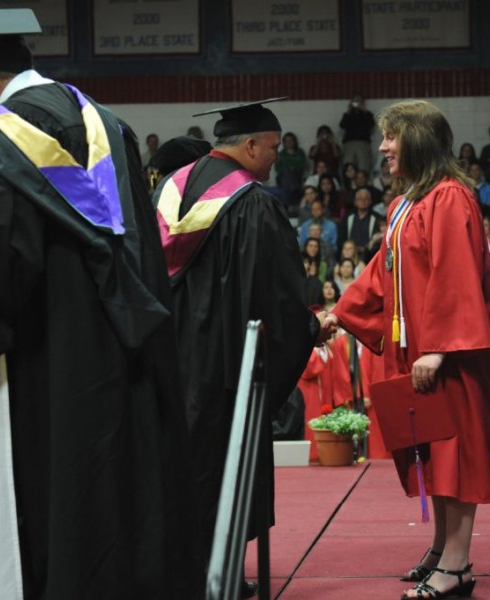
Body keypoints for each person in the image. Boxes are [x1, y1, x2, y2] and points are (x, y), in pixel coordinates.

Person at [0, 9, 202, 598]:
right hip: (127, 341)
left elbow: (3, 261)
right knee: (126, 484)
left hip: (53, 353)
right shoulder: (109, 124)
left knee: (62, 491)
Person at [152, 97, 328, 595]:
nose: (276, 157)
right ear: (250, 146)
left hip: (167, 363)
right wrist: (310, 329)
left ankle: (175, 571)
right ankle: (219, 574)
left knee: (173, 463)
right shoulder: (253, 205)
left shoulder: (166, 191)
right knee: (218, 464)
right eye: (272, 148)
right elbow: (280, 302)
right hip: (226, 369)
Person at [323, 100, 490, 600]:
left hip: (448, 355)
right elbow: (382, 271)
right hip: (416, 351)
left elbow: (456, 274)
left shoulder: (450, 198)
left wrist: (439, 349)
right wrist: (341, 312)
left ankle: (458, 567)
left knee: (455, 454)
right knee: (432, 452)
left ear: (418, 139)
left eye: (391, 136)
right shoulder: (407, 203)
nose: (382, 147)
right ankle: (443, 548)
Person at [339, 94, 375, 173]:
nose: (357, 103)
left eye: (359, 101)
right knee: (348, 164)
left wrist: (364, 110)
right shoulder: (348, 114)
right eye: (355, 101)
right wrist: (348, 111)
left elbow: (371, 124)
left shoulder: (367, 114)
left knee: (363, 164)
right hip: (349, 143)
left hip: (363, 142)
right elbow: (342, 125)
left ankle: (364, 178)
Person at [275, 131, 307, 210]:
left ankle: (285, 206)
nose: (289, 143)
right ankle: (295, 189)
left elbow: (302, 166)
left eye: (291, 140)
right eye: (287, 141)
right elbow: (278, 169)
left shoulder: (300, 152)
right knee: (286, 173)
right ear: (284, 143)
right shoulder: (281, 154)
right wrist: (290, 169)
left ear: (294, 141)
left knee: (286, 181)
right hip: (282, 177)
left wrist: (292, 169)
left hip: (297, 177)